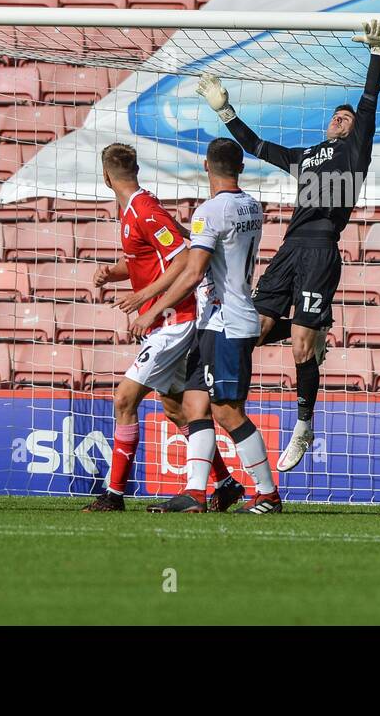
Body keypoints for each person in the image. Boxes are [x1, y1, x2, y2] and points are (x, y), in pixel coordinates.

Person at [195, 19, 380, 472]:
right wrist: (224, 111)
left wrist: (376, 55)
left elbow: (370, 99)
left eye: (349, 118)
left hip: (321, 247)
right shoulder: (306, 156)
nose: (343, 118)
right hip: (289, 249)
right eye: (338, 116)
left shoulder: (356, 150)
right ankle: (314, 327)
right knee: (257, 330)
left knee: (300, 347)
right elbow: (257, 146)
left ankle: (304, 425)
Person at [85, 143, 242, 513]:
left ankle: (114, 495)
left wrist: (146, 302)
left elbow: (184, 257)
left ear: (106, 177)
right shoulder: (131, 210)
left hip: (176, 320)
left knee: (124, 399)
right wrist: (115, 272)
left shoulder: (144, 209)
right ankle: (226, 483)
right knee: (174, 408)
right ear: (135, 169)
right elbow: (149, 260)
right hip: (166, 320)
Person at [138, 138, 279, 514]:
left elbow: (195, 271)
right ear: (241, 168)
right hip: (218, 320)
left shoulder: (209, 211)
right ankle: (195, 493)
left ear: (205, 166)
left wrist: (154, 309)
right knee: (194, 403)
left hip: (226, 323)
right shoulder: (252, 205)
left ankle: (267, 493)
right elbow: (222, 248)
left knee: (227, 411)